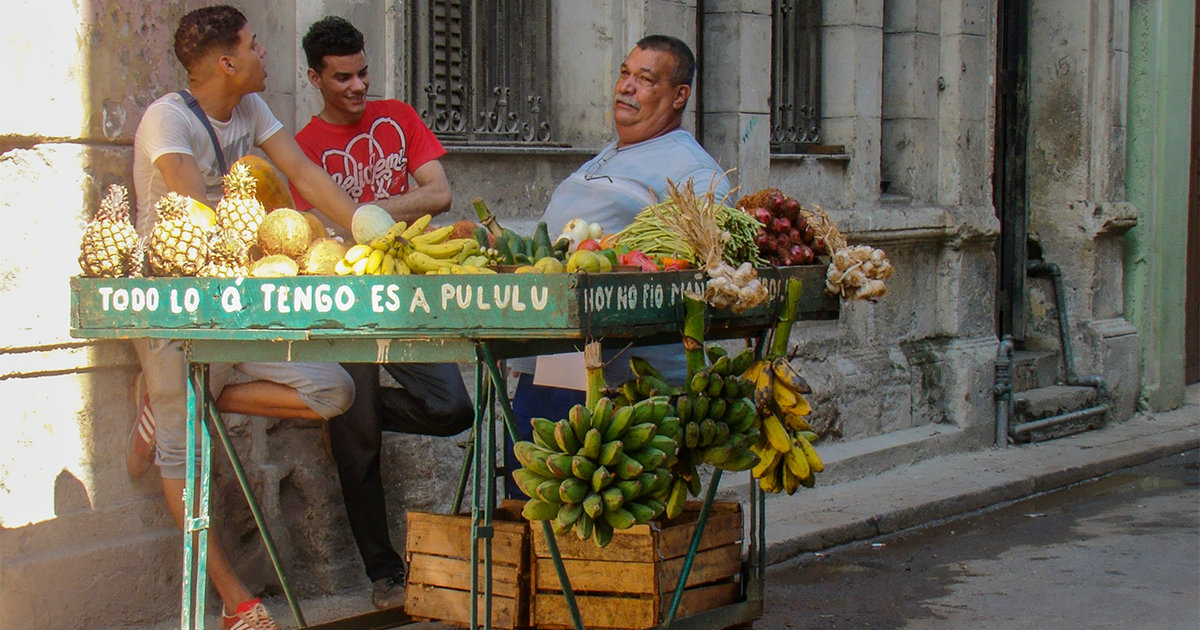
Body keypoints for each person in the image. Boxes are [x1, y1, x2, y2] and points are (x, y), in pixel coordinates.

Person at [129, 6, 368, 629]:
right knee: (182, 461)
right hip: (175, 309)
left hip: (240, 302)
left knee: (333, 388)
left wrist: (372, 234)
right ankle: (237, 603)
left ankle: (189, 395)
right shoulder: (168, 118)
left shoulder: (254, 111)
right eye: (255, 44)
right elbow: (189, 204)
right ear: (228, 62)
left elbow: (305, 176)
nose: (266, 53)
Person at [294, 16, 474, 611]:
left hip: (409, 293)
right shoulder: (303, 149)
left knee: (452, 408)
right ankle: (385, 573)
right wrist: (375, 216)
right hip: (346, 303)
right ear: (316, 77)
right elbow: (310, 234)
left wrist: (362, 212)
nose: (357, 86)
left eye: (363, 72)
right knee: (358, 447)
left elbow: (440, 192)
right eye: (342, 77)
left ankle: (352, 416)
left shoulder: (398, 118)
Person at [505, 35, 732, 495]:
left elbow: (699, 266)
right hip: (555, 365)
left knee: (597, 518)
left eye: (644, 80)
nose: (625, 87)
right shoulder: (610, 154)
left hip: (622, 382)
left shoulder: (694, 172)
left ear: (678, 96)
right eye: (624, 74)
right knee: (531, 508)